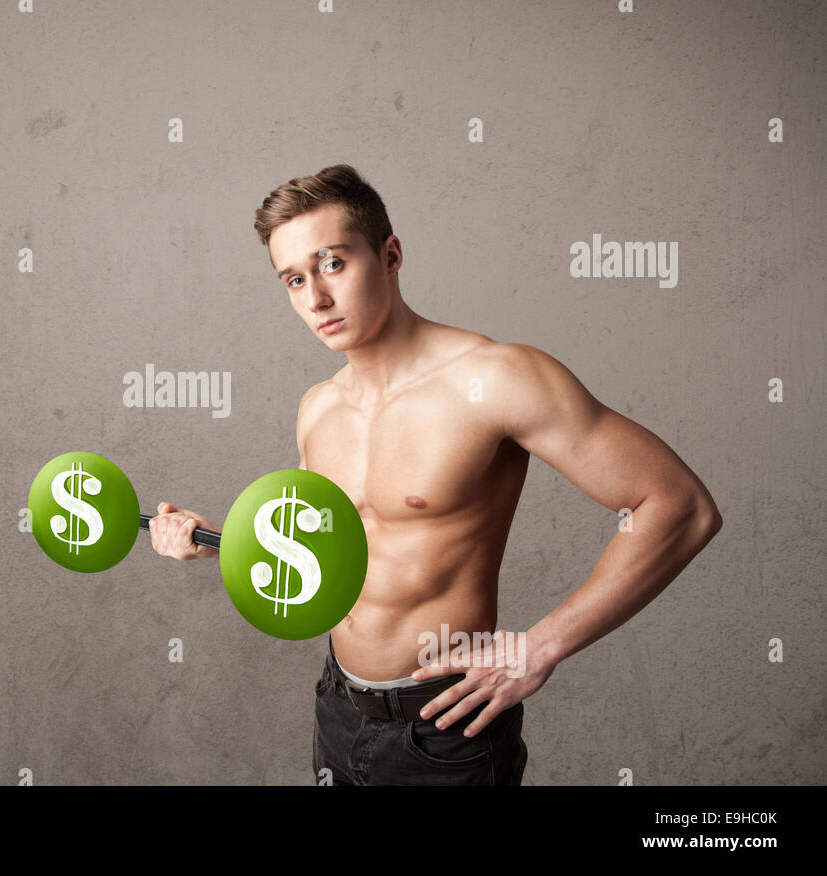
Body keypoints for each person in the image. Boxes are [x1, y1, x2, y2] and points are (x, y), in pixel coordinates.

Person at [147, 164, 723, 785]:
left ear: (390, 254)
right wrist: (222, 542)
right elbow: (348, 547)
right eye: (293, 279)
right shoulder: (318, 408)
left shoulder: (496, 379)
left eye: (333, 263)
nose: (315, 298)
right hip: (339, 709)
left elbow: (678, 505)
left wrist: (540, 647)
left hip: (446, 727)